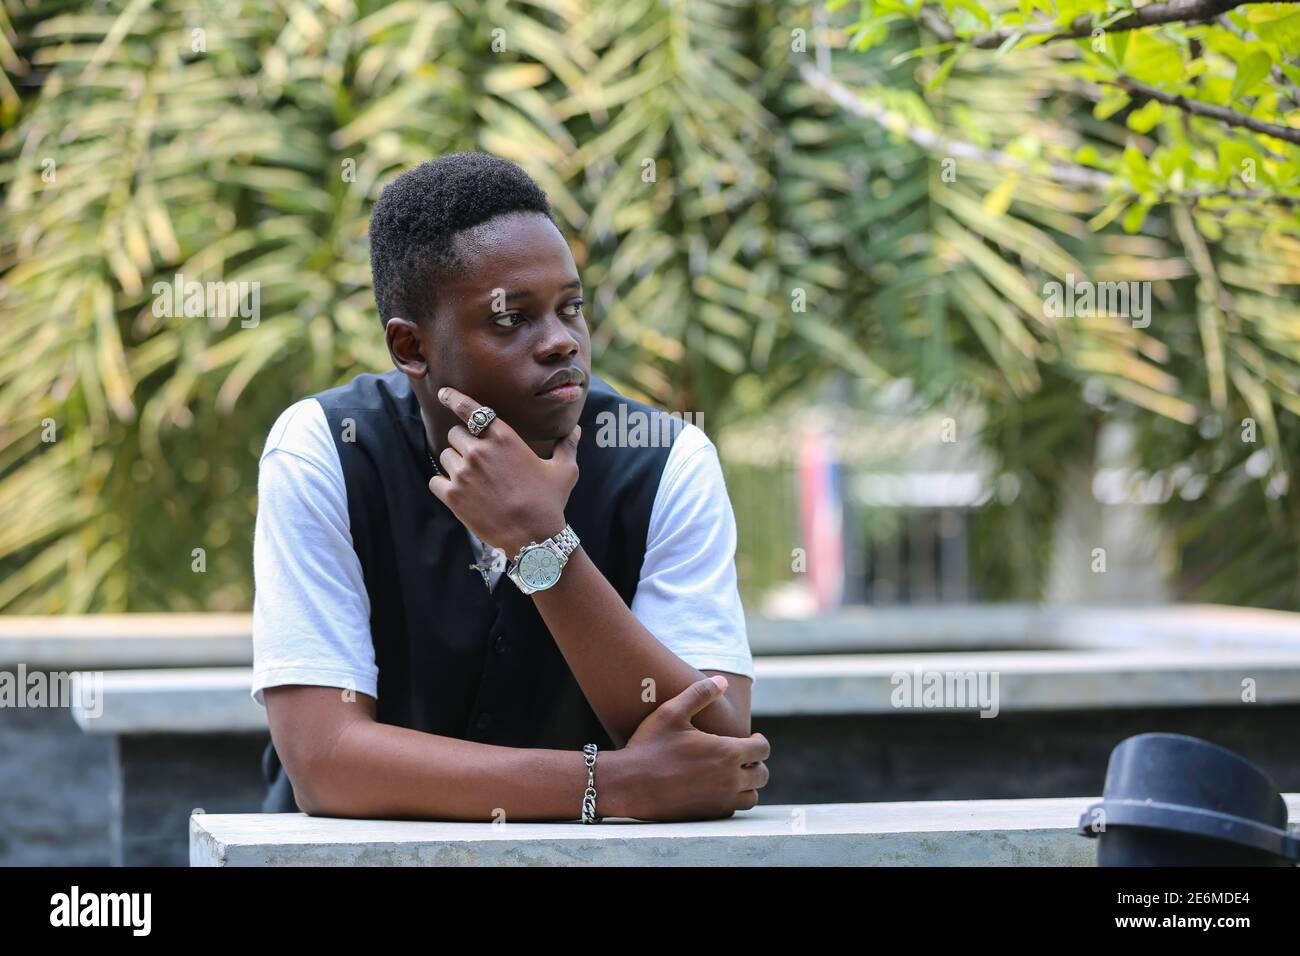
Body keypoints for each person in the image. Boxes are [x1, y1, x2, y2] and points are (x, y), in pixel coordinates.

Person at [252, 151, 769, 823]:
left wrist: (540, 543)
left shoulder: (667, 462)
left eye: (571, 308)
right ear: (411, 348)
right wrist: (609, 785)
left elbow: (717, 756)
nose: (561, 342)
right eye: (511, 318)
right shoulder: (324, 450)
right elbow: (325, 764)